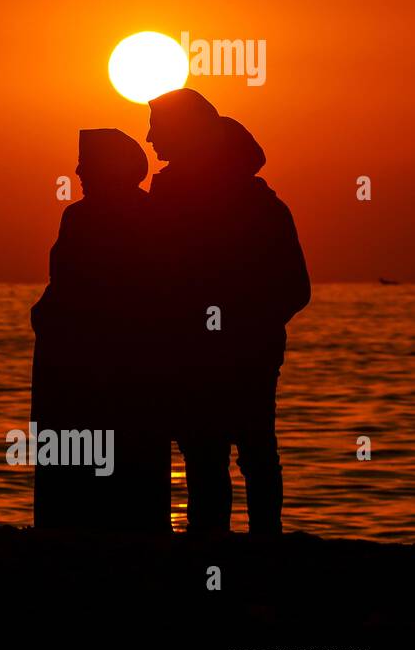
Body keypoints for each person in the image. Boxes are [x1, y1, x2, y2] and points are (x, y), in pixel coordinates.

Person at [146, 90, 309, 535]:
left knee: (247, 449)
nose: (149, 138)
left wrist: (245, 329)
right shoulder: (164, 202)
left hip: (243, 353)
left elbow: (295, 288)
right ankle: (214, 546)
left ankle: (257, 546)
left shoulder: (258, 206)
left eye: (157, 126)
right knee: (205, 452)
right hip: (196, 352)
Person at [30, 128, 171, 531]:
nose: (77, 171)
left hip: (95, 363)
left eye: (86, 163)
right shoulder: (140, 214)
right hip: (99, 360)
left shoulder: (88, 218)